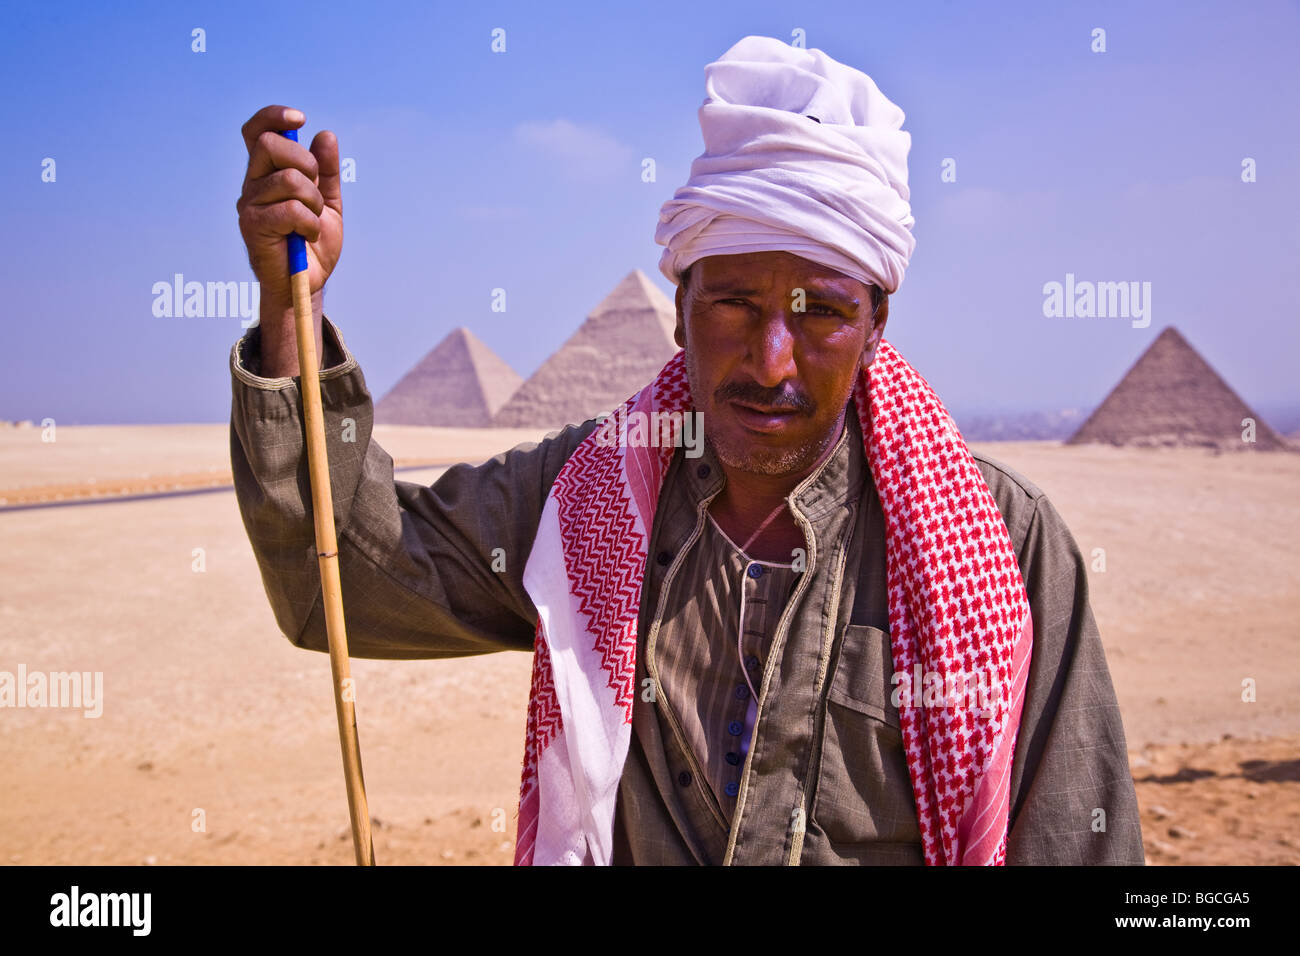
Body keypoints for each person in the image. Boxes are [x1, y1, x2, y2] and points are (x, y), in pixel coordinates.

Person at [229, 36, 1143, 866]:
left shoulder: (1001, 550)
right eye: (735, 303)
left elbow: (1076, 843)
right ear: (678, 310)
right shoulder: (582, 499)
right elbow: (335, 582)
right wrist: (290, 312)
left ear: (875, 327)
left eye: (820, 310)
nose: (771, 360)